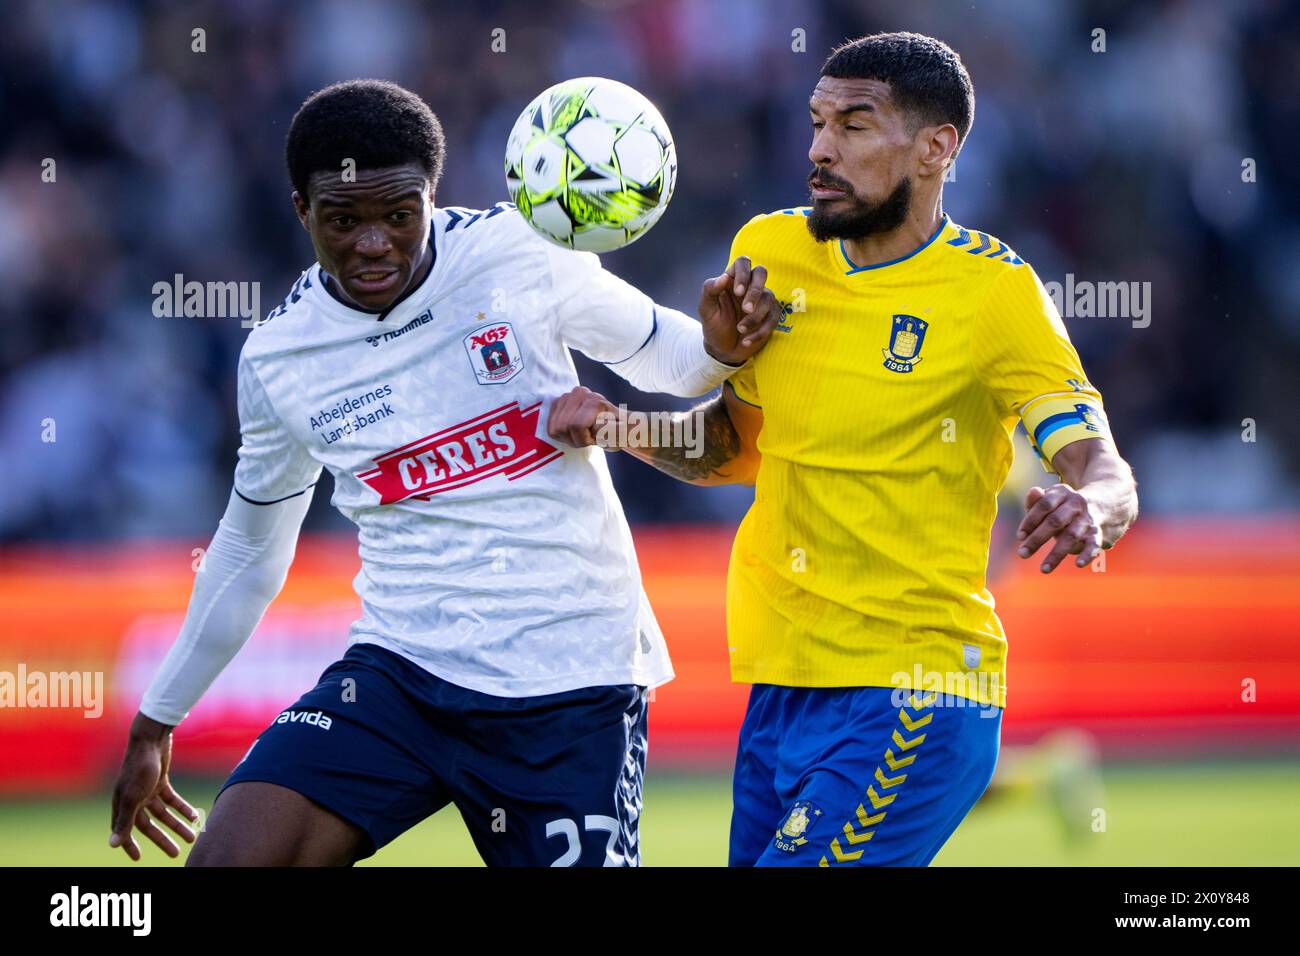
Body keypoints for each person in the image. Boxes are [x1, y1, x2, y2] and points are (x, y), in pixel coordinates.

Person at [107, 79, 779, 867]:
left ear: (432, 196)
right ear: (300, 210)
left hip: (569, 677)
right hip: (400, 675)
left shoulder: (517, 253)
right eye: (343, 220)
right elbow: (252, 551)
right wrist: (157, 719)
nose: (373, 244)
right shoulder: (280, 359)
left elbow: (667, 356)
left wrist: (721, 347)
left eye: (399, 216)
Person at [553, 32, 1139, 866]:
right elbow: (734, 450)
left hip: (918, 689)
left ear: (937, 148)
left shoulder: (996, 293)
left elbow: (1101, 463)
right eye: (818, 122)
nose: (820, 148)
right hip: (781, 687)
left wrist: (1094, 505)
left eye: (855, 126)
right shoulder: (770, 251)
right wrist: (618, 425)